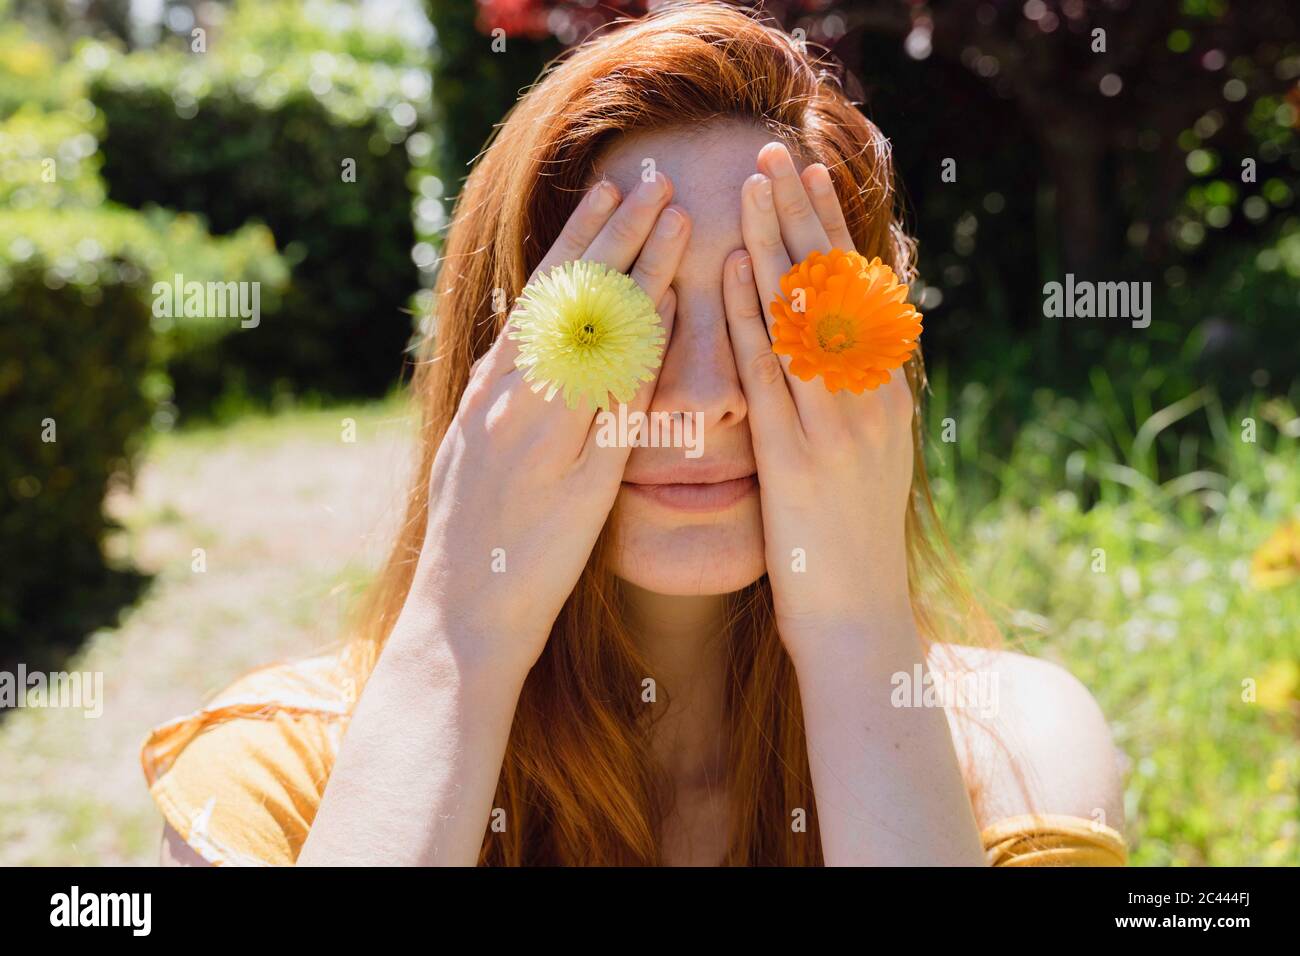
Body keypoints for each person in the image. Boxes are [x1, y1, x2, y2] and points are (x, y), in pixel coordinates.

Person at [144, 2, 1125, 867]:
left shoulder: (1015, 753)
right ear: (493, 370)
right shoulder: (276, 775)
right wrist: (454, 650)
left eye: (774, 313)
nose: (702, 398)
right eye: (618, 311)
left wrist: (859, 640)